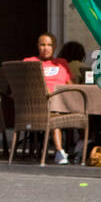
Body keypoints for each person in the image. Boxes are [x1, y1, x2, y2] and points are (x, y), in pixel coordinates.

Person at [23, 32, 72, 164]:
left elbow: (70, 85)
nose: (46, 48)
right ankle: (59, 151)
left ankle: (79, 147)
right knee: (54, 112)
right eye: (42, 44)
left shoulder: (61, 63)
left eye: (49, 45)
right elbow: (24, 85)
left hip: (62, 102)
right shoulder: (29, 62)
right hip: (39, 104)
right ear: (37, 46)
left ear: (54, 47)